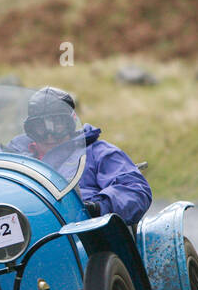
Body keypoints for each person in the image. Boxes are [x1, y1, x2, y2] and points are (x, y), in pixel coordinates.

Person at [8, 86, 152, 226]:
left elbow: (135, 190)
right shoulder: (12, 162)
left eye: (58, 125)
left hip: (88, 236)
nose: (49, 135)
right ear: (30, 129)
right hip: (30, 236)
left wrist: (96, 208)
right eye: (40, 127)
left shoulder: (99, 152)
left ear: (71, 124)